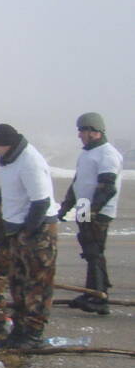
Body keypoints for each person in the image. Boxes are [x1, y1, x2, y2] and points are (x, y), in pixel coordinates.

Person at [0, 123, 58, 349]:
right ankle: (19, 329)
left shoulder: (30, 162)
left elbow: (41, 202)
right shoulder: (9, 160)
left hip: (37, 232)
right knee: (17, 281)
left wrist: (28, 233)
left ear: (8, 144)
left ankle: (34, 333)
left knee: (37, 283)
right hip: (17, 230)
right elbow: (8, 186)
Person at [58, 112, 123, 316]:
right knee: (89, 250)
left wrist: (92, 212)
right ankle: (91, 293)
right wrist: (66, 207)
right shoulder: (87, 153)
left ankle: (99, 297)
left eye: (81, 130)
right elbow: (78, 183)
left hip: (99, 211)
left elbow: (107, 188)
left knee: (94, 252)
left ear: (93, 131)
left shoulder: (107, 154)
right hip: (85, 207)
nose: (79, 135)